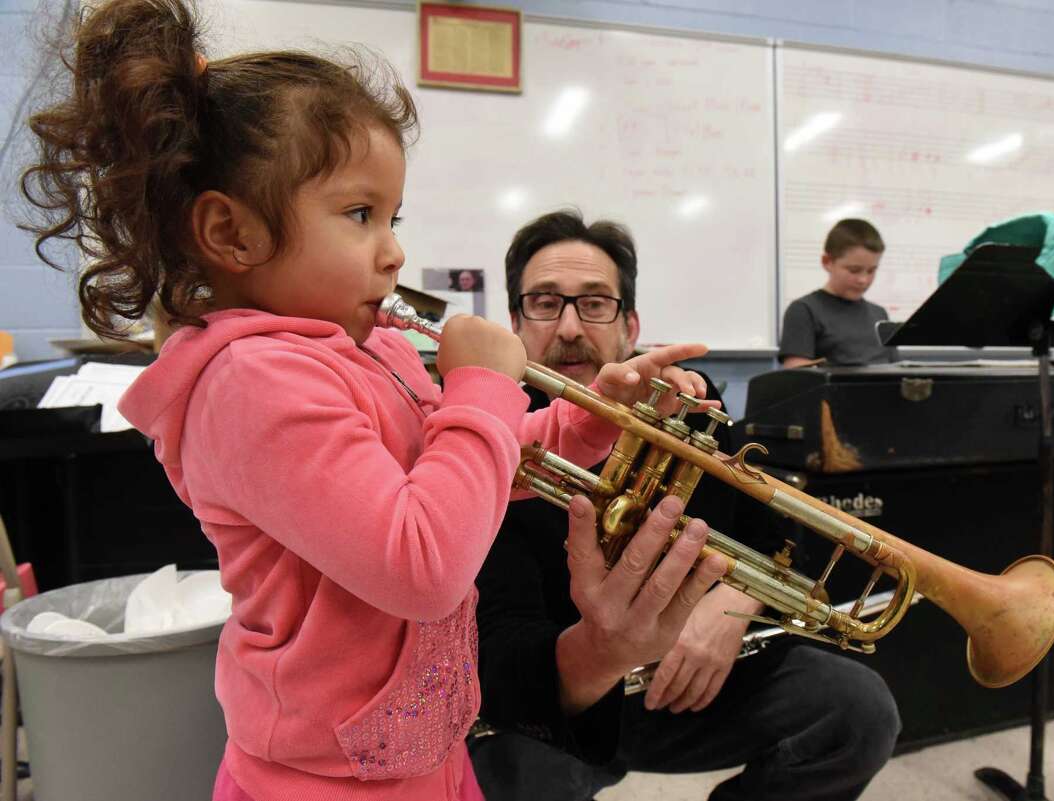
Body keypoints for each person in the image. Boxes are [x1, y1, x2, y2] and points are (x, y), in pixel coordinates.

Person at [20, 4, 722, 800]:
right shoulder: (249, 380)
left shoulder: (374, 349)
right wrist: (485, 384)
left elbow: (464, 476)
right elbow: (421, 562)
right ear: (232, 232)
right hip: (325, 776)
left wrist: (588, 416)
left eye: (394, 217)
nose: (393, 251)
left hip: (424, 742)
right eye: (360, 215)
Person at [470, 209, 901, 801]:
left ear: (631, 325)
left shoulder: (690, 404)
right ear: (515, 324)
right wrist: (603, 652)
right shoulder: (486, 431)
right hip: (560, 696)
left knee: (859, 713)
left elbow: (774, 537)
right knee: (512, 780)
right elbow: (497, 651)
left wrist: (734, 601)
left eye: (595, 304)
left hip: (690, 677)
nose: (569, 327)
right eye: (545, 304)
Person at [779, 219, 897, 367]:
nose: (863, 279)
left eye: (871, 270)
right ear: (827, 261)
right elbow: (795, 373)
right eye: (854, 270)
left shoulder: (880, 315)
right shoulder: (804, 310)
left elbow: (896, 370)